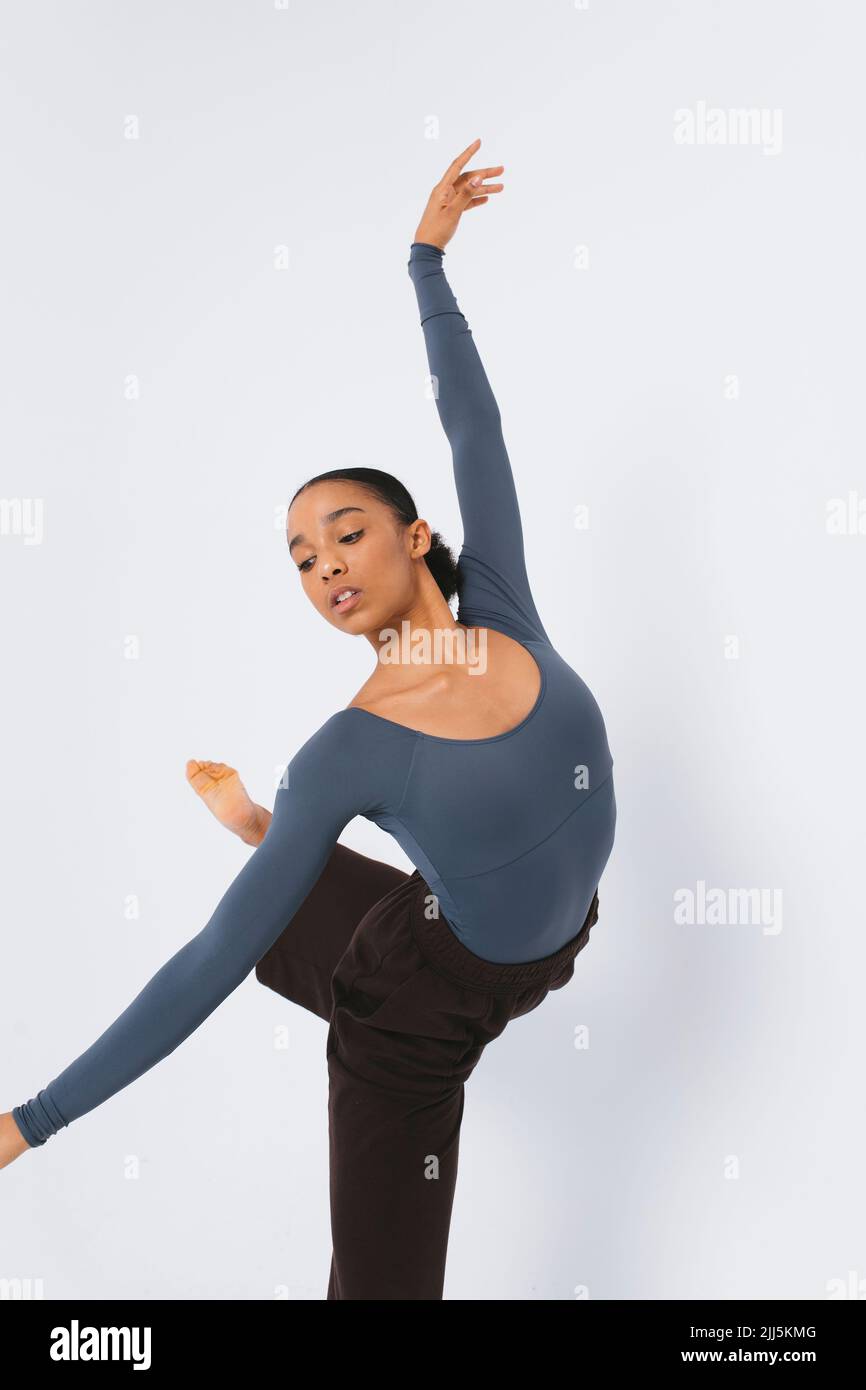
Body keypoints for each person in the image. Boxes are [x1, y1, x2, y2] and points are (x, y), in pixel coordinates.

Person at [1, 138, 616, 1299]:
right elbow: (210, 962)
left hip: (516, 939)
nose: (323, 565)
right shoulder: (349, 746)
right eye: (298, 560)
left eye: (343, 531)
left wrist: (425, 258)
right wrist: (25, 1122)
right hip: (417, 1021)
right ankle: (272, 850)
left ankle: (263, 840)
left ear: (414, 535)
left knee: (366, 905)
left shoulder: (500, 603)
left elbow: (471, 426)